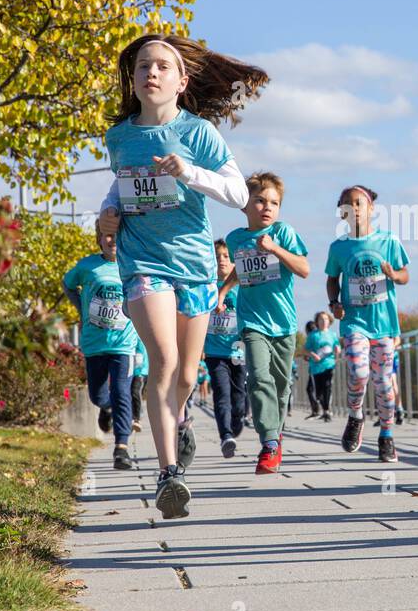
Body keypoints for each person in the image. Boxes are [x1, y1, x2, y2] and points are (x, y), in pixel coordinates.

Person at [96, 33, 262, 519]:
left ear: (181, 81)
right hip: (142, 262)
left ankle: (181, 420)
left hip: (193, 264)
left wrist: (189, 172)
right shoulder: (121, 136)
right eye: (143, 65)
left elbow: (236, 194)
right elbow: (120, 187)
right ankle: (169, 474)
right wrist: (107, 216)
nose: (151, 72)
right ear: (133, 78)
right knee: (163, 360)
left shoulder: (199, 134)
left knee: (187, 374)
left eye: (162, 66)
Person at [219, 172, 309, 474]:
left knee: (282, 387)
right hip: (252, 321)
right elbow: (239, 271)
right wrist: (223, 290)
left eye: (274, 202)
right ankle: (269, 443)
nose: (267, 207)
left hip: (283, 323)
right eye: (260, 201)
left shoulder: (283, 232)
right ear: (245, 205)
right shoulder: (234, 239)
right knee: (259, 377)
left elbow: (304, 269)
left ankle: (275, 435)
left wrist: (274, 249)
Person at [325, 185, 410, 462]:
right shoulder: (338, 247)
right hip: (354, 322)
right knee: (359, 372)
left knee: (385, 383)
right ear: (342, 212)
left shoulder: (388, 241)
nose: (354, 209)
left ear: (371, 208)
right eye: (348, 204)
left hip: (384, 323)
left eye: (360, 203)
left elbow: (405, 275)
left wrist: (393, 274)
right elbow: (331, 279)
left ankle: (387, 435)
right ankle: (355, 415)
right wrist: (334, 303)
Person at [62, 228, 140, 471]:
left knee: (121, 392)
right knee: (97, 395)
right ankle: (106, 408)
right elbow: (67, 284)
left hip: (124, 343)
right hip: (95, 343)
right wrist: (81, 309)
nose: (112, 240)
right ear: (99, 239)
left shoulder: (134, 266)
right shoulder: (87, 266)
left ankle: (122, 448)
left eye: (117, 235)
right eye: (107, 235)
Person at [204, 239, 247, 457]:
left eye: (226, 257)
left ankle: (238, 418)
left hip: (238, 349)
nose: (222, 260)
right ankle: (226, 436)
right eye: (218, 256)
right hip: (214, 352)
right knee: (222, 393)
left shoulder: (240, 287)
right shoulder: (207, 286)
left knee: (239, 394)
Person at [305, 311, 339, 421]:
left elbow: (337, 346)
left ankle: (326, 411)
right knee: (318, 392)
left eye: (326, 319)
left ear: (329, 321)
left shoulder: (332, 335)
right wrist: (313, 355)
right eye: (321, 319)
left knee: (327, 386)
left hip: (329, 364)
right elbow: (305, 349)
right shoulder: (313, 335)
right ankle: (323, 406)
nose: (323, 321)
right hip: (316, 367)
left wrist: (337, 350)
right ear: (317, 322)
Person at [131, 338, 148, 434]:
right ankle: (131, 416)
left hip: (140, 370)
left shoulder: (140, 336)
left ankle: (137, 418)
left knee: (135, 391)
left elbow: (140, 356)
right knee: (128, 393)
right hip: (129, 369)